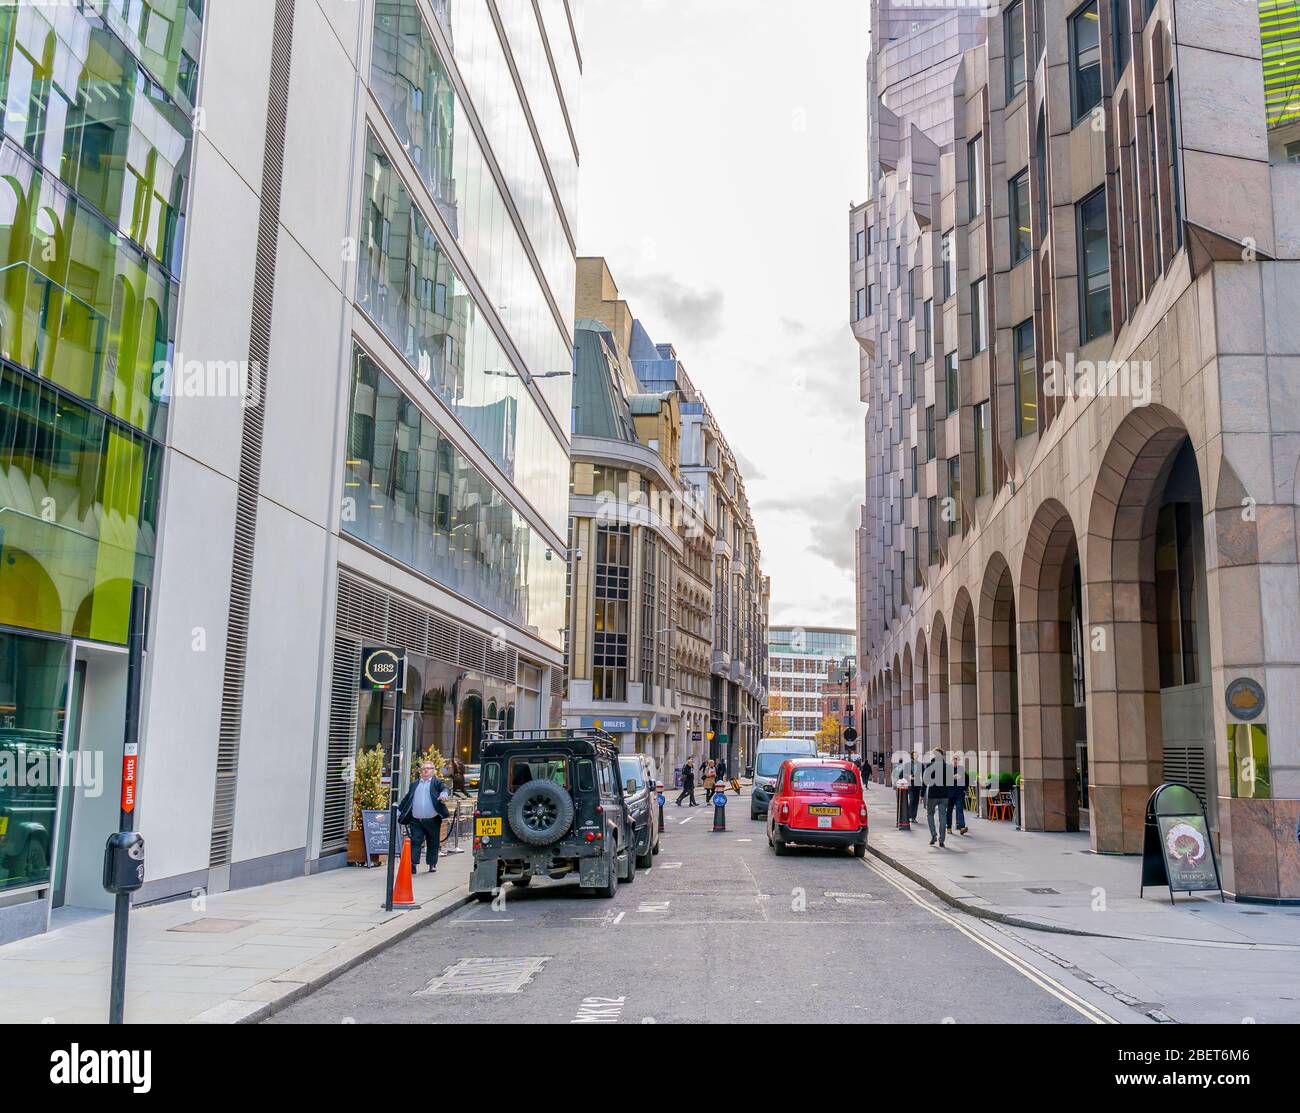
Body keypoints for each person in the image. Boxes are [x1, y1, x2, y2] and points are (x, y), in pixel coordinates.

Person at [398, 761, 451, 873]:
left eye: (428, 768)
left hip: (432, 819)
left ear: (433, 770)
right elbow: (407, 798)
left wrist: (444, 794)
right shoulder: (414, 784)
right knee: (415, 842)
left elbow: (445, 788)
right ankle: (413, 864)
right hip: (416, 819)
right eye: (423, 769)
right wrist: (399, 811)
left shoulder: (436, 782)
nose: (426, 771)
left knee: (433, 842)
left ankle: (432, 864)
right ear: (420, 772)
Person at [923, 748, 950, 847]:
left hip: (933, 795)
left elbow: (925, 781)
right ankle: (942, 840)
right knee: (942, 817)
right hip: (944, 796)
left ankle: (934, 835)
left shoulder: (930, 766)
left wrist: (922, 794)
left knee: (930, 815)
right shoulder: (947, 767)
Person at [948, 756, 969, 835]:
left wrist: (965, 789)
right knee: (949, 811)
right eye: (954, 761)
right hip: (949, 793)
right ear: (951, 761)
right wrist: (952, 777)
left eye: (957, 761)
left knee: (960, 809)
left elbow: (967, 779)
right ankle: (949, 827)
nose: (955, 762)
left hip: (960, 793)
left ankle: (962, 827)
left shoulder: (961, 769)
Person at [907, 754, 925, 822]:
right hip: (910, 785)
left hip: (918, 785)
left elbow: (924, 774)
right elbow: (902, 774)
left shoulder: (921, 765)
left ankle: (913, 817)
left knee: (916, 801)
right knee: (912, 800)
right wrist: (909, 776)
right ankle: (909, 816)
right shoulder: (907, 765)